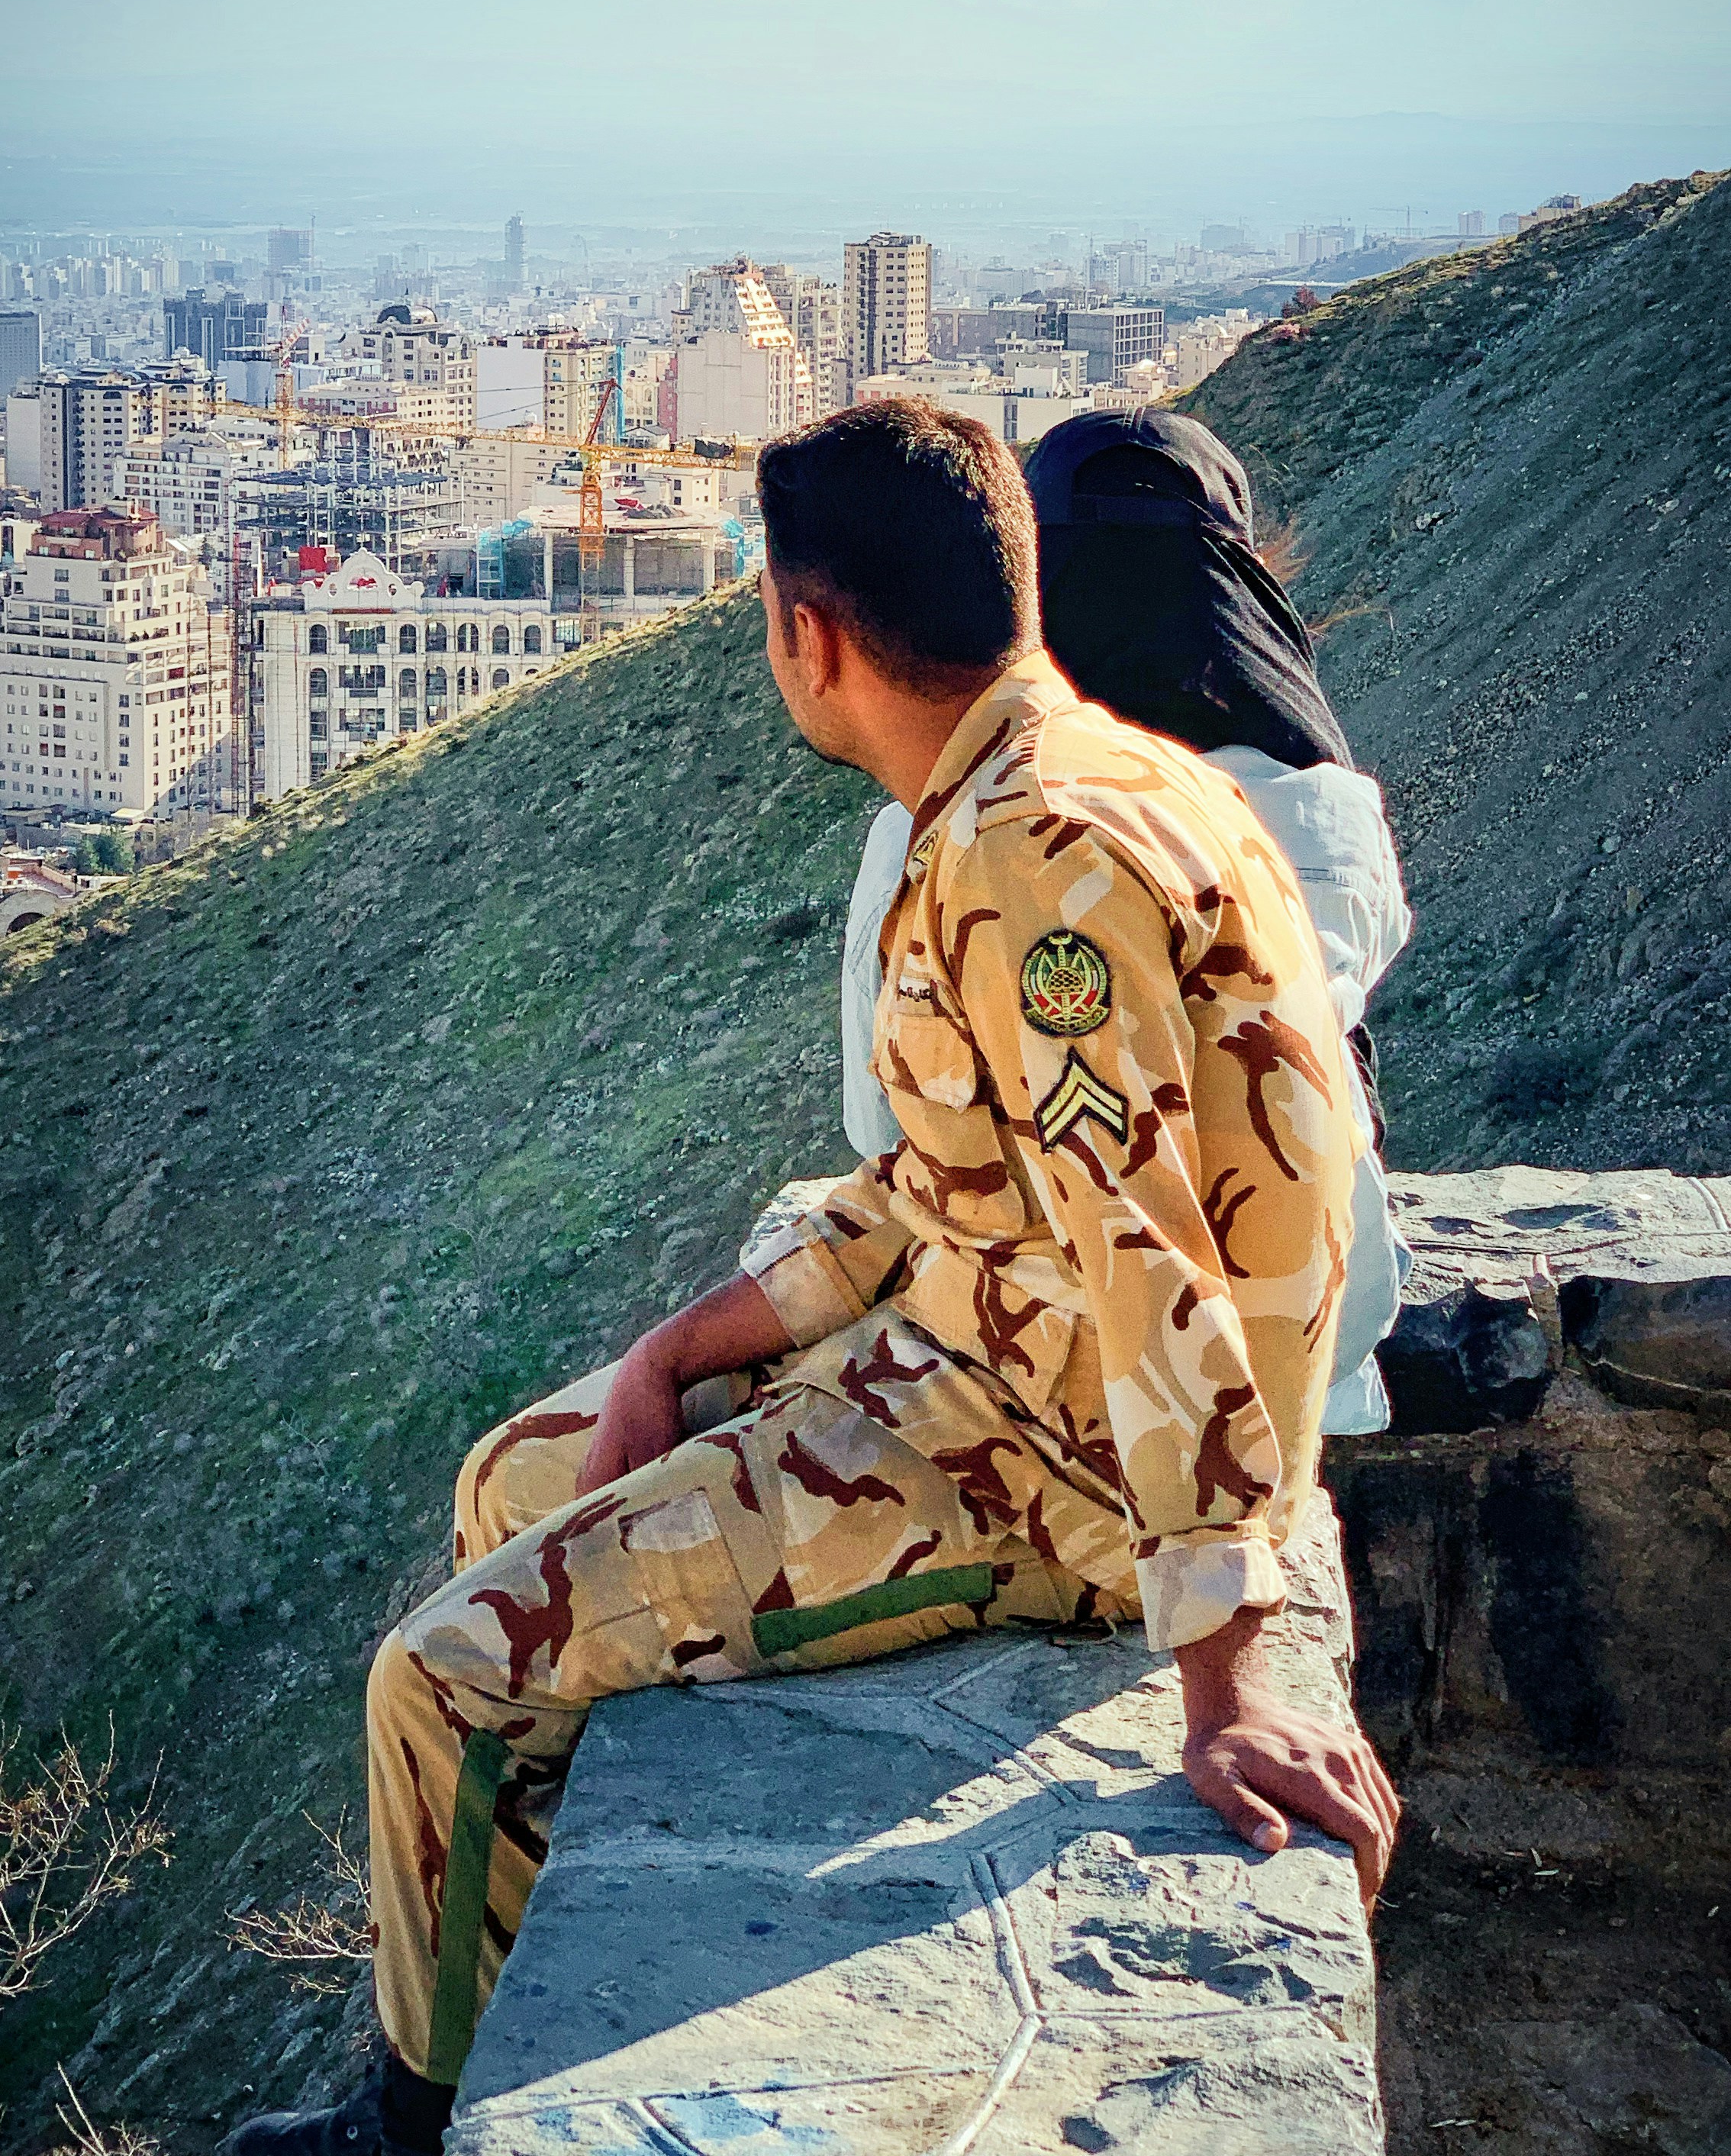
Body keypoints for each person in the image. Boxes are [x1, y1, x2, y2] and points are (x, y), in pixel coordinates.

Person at [227, 401, 1398, 2156]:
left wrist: (1225, 1677)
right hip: (976, 1367)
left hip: (1050, 1479)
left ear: (808, 631)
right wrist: (675, 1353)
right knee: (517, 1479)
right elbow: (946, 1185)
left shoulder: (1032, 862)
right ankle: (516, 1973)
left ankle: (415, 2123)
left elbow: (1148, 1256)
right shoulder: (1070, 774)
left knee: (445, 1678)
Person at [840, 408, 1413, 1434]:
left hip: (1052, 1377)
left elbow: (882, 1125)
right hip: (1313, 1350)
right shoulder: (1324, 812)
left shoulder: (937, 827)